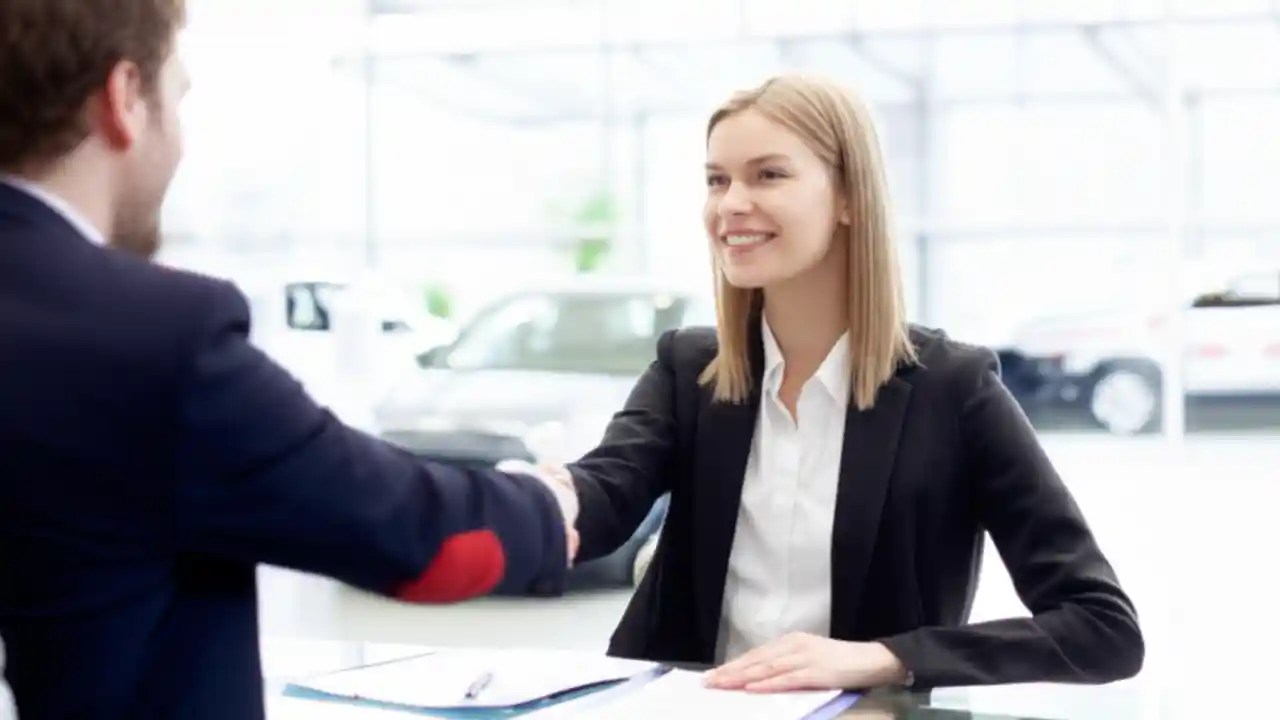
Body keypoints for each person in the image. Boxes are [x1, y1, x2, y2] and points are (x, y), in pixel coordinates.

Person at [0, 2, 578, 718]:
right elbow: (415, 537)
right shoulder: (153, 337)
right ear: (124, 99)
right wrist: (550, 506)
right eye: (176, 97)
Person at [546, 74, 1144, 692]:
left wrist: (886, 658)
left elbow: (1102, 629)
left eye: (768, 175)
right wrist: (552, 498)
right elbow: (608, 494)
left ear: (849, 197)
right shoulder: (690, 369)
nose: (730, 203)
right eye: (717, 180)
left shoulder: (954, 389)